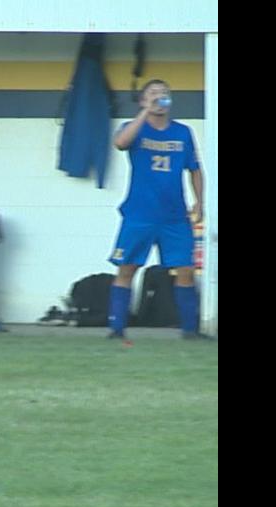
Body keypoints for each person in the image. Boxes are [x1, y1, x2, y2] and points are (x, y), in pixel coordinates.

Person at [108, 79, 207, 342]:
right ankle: (117, 328)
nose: (159, 98)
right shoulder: (134, 128)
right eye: (153, 94)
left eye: (164, 93)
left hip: (174, 216)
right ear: (143, 100)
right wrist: (145, 113)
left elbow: (195, 168)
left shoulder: (183, 132)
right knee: (127, 267)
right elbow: (120, 143)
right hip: (139, 214)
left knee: (184, 269)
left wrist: (200, 201)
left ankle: (190, 330)